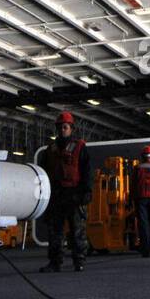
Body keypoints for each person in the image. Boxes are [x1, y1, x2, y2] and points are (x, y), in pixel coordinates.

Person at [38, 111, 91, 273]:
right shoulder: (50, 149)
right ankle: (55, 262)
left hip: (74, 194)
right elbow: (44, 172)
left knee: (77, 230)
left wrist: (86, 192)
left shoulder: (80, 147)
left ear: (71, 128)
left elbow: (86, 170)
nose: (63, 129)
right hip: (57, 194)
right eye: (60, 127)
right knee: (55, 231)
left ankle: (79, 261)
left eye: (66, 127)